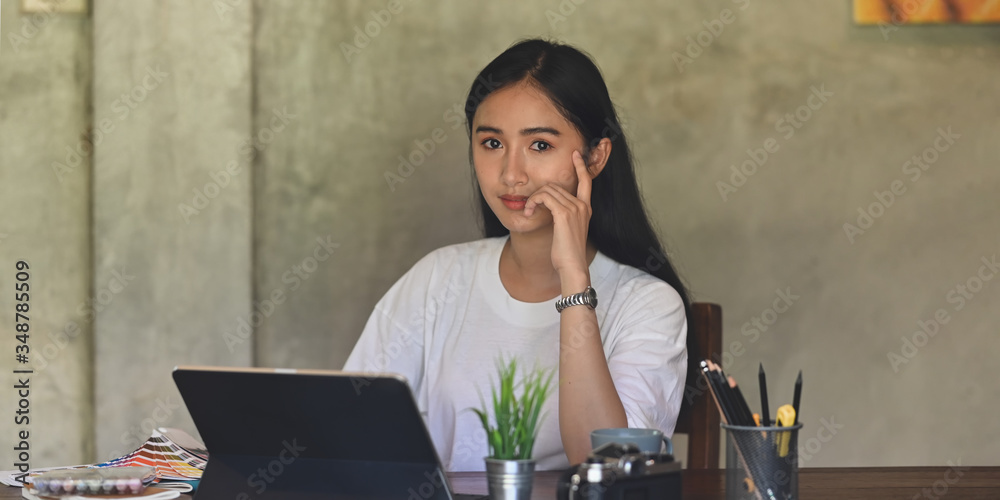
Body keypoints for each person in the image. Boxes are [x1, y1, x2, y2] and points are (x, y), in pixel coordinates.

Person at [344, 38, 690, 471]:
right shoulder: (438, 278)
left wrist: (574, 281)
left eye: (540, 145)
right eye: (491, 143)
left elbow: (609, 469)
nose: (511, 174)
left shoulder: (648, 305)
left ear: (596, 157)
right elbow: (347, 426)